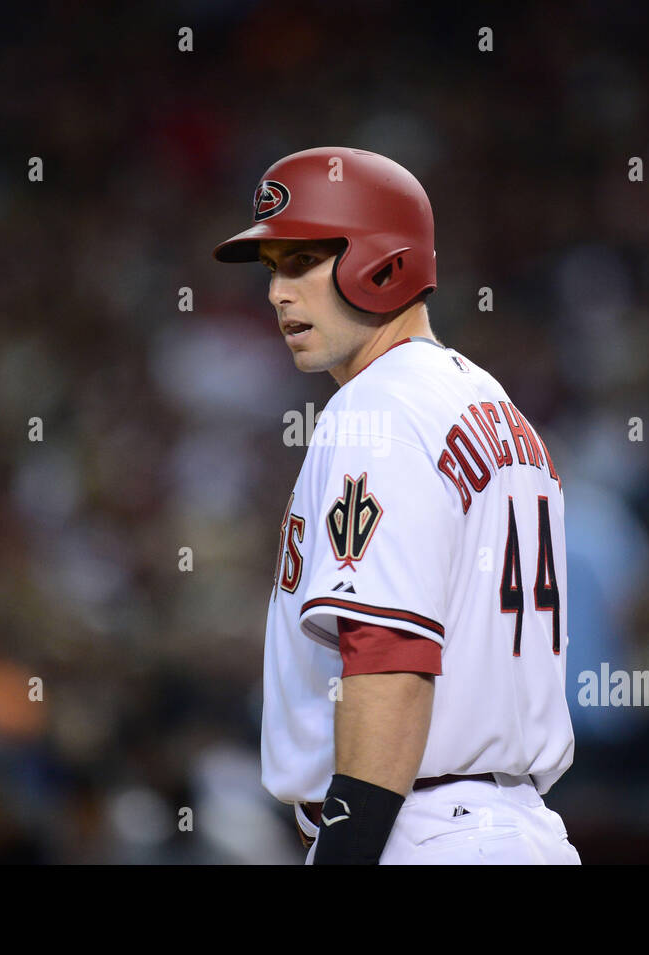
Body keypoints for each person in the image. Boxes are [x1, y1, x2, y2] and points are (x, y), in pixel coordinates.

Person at [213, 146, 580, 864]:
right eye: (272, 272)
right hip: (513, 828)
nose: (277, 294)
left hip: (414, 828)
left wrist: (346, 854)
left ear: (381, 264)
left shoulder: (374, 411)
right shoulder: (493, 406)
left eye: (300, 263)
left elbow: (391, 663)